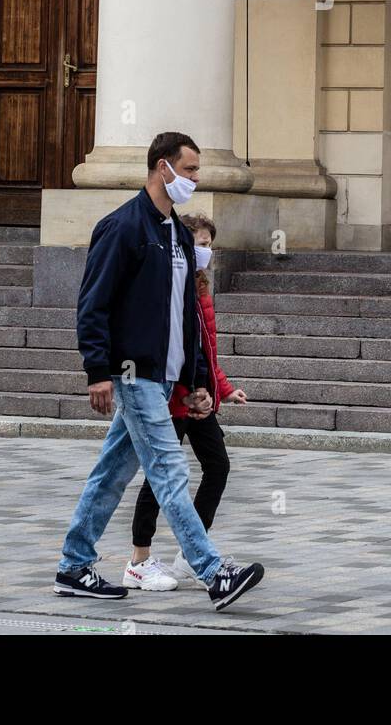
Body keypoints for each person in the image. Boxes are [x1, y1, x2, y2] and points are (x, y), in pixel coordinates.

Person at [53, 131, 264, 613]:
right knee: (169, 469)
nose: (194, 179)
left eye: (196, 172)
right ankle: (214, 574)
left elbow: (187, 315)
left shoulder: (178, 236)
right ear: (162, 167)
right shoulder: (123, 228)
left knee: (111, 473)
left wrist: (194, 384)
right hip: (132, 374)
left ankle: (73, 565)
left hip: (166, 377)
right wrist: (98, 370)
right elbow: (93, 304)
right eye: (189, 170)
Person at [124, 213, 248, 591]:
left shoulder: (200, 287)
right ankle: (138, 560)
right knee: (160, 479)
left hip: (201, 397)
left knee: (218, 466)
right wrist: (187, 393)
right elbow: (172, 352)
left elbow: (205, 352)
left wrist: (222, 388)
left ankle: (190, 553)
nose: (205, 251)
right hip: (177, 399)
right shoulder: (174, 289)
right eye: (199, 244)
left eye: (210, 244)